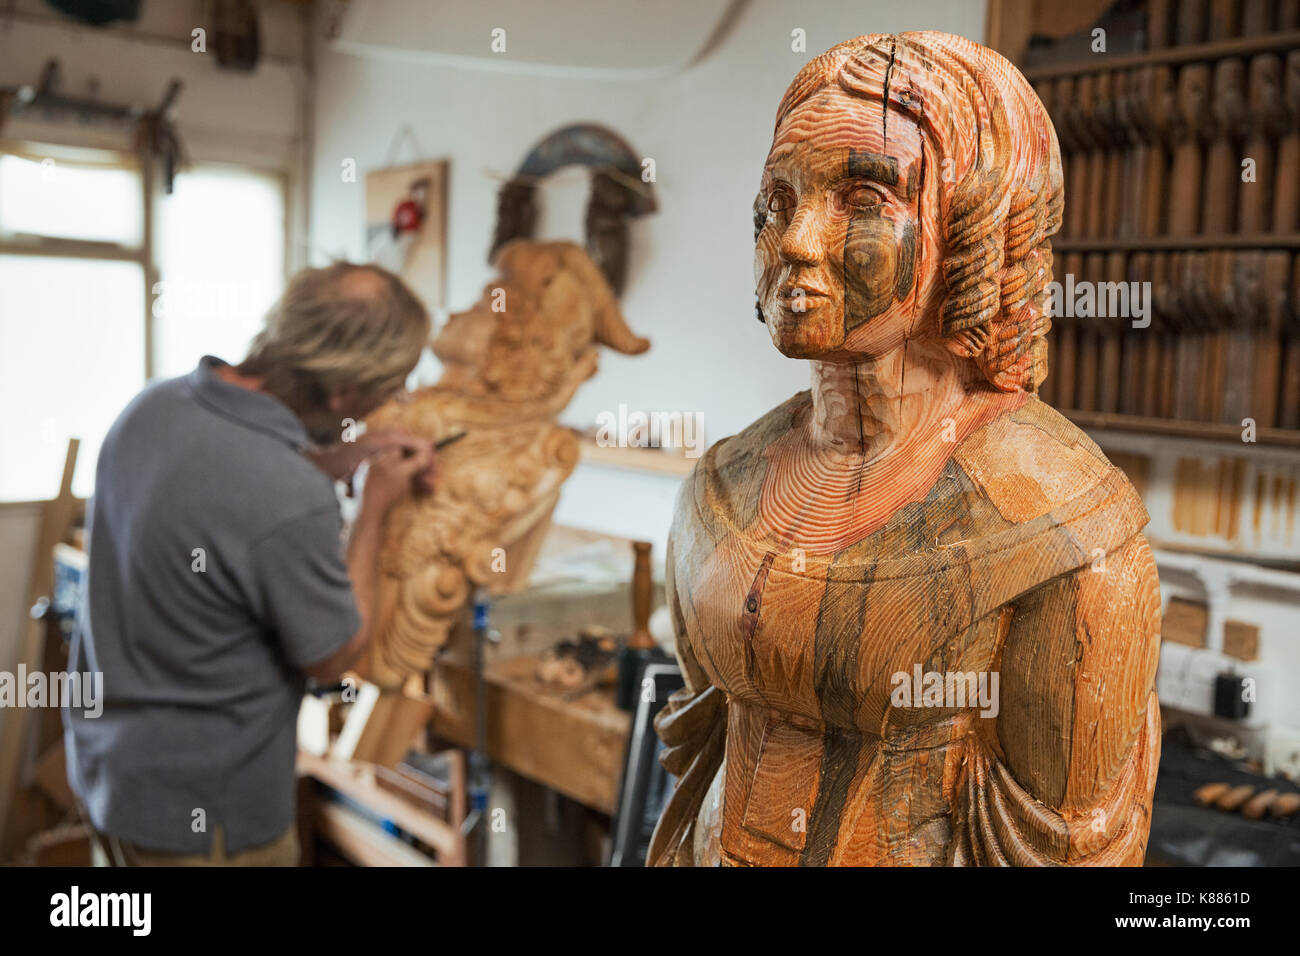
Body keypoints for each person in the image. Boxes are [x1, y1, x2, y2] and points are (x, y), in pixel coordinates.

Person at [64, 262, 436, 866]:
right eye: (385, 388)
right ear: (342, 392)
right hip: (205, 818)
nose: (387, 404)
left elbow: (226, 499)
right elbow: (335, 658)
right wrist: (373, 510)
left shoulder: (153, 406)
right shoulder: (285, 494)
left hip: (112, 775)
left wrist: (332, 461)